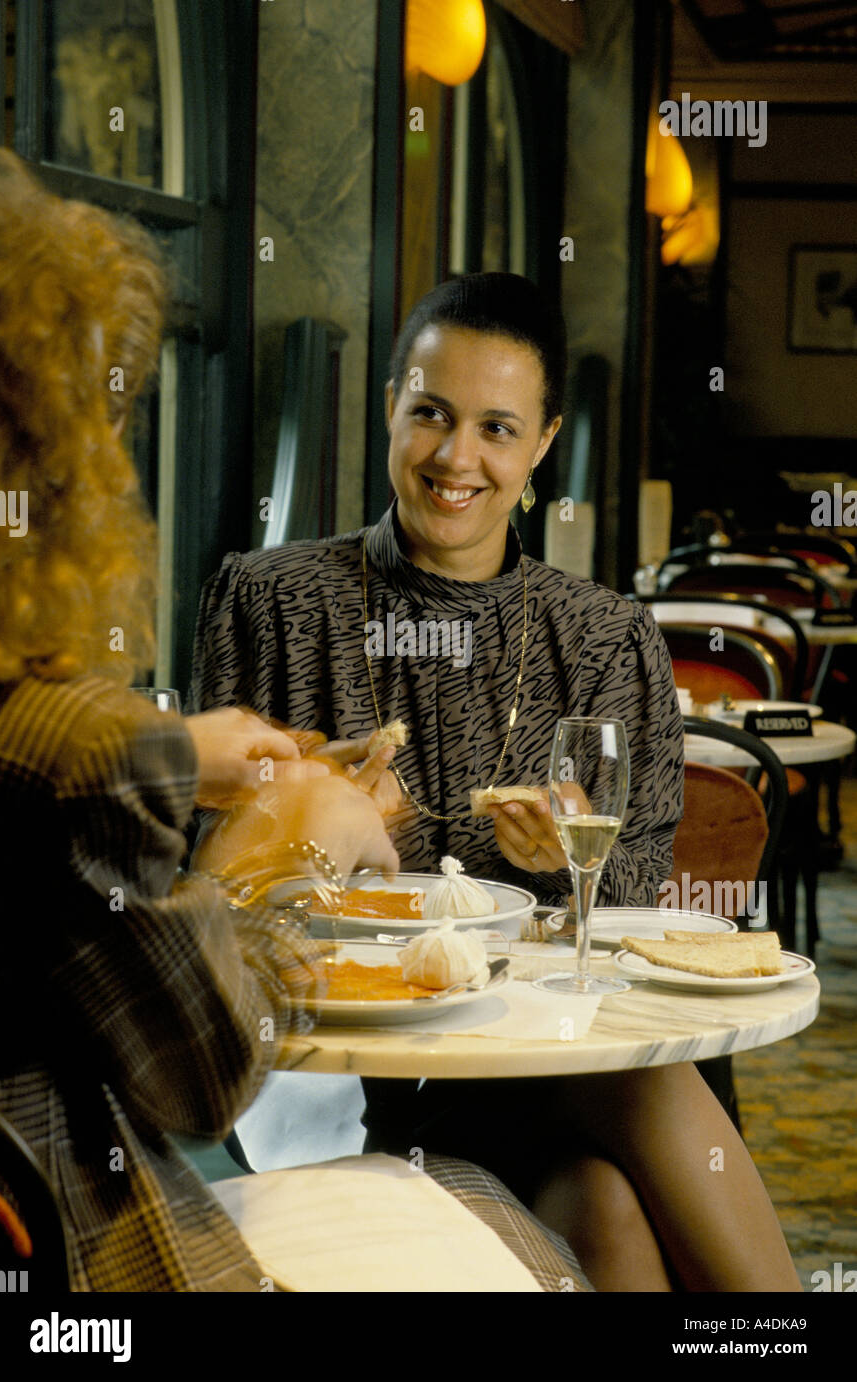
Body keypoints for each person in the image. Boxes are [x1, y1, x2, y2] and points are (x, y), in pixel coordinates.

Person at [0, 152, 591, 1293]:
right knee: (522, 1234)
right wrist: (291, 836)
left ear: (541, 445)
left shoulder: (54, 736)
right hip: (99, 1264)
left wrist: (174, 757)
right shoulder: (89, 736)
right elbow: (206, 1076)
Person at [190, 271, 802, 1291]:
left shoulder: (604, 634)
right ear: (390, 405)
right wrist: (302, 817)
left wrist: (566, 869)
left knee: (611, 1182)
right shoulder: (269, 600)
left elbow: (635, 902)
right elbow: (200, 884)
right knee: (619, 1166)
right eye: (429, 413)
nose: (455, 457)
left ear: (544, 443)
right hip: (338, 1057)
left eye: (497, 428)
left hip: (532, 1065)